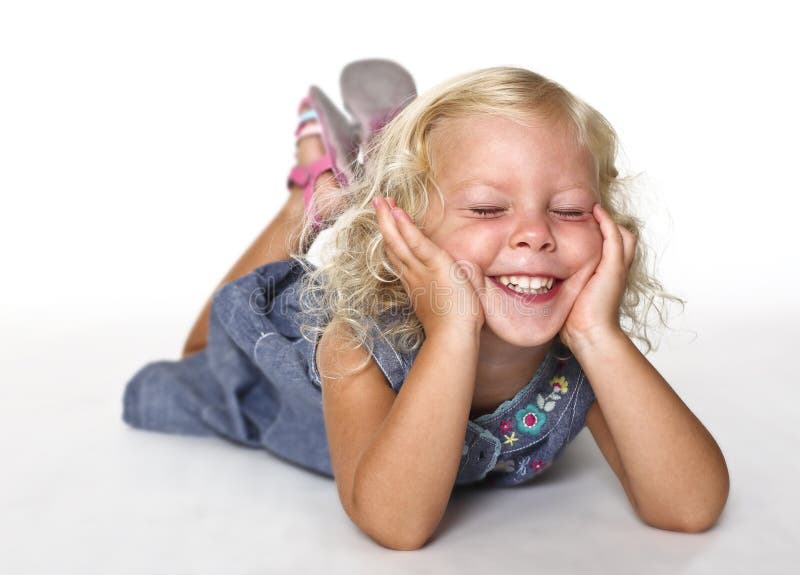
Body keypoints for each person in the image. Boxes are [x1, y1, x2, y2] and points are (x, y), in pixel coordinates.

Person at [122, 64, 729, 550]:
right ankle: (312, 194)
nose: (536, 235)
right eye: (489, 209)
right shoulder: (353, 344)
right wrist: (452, 334)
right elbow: (396, 525)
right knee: (189, 364)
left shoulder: (580, 348)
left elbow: (689, 507)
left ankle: (375, 153)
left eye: (570, 210)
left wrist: (600, 335)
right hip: (281, 369)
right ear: (409, 236)